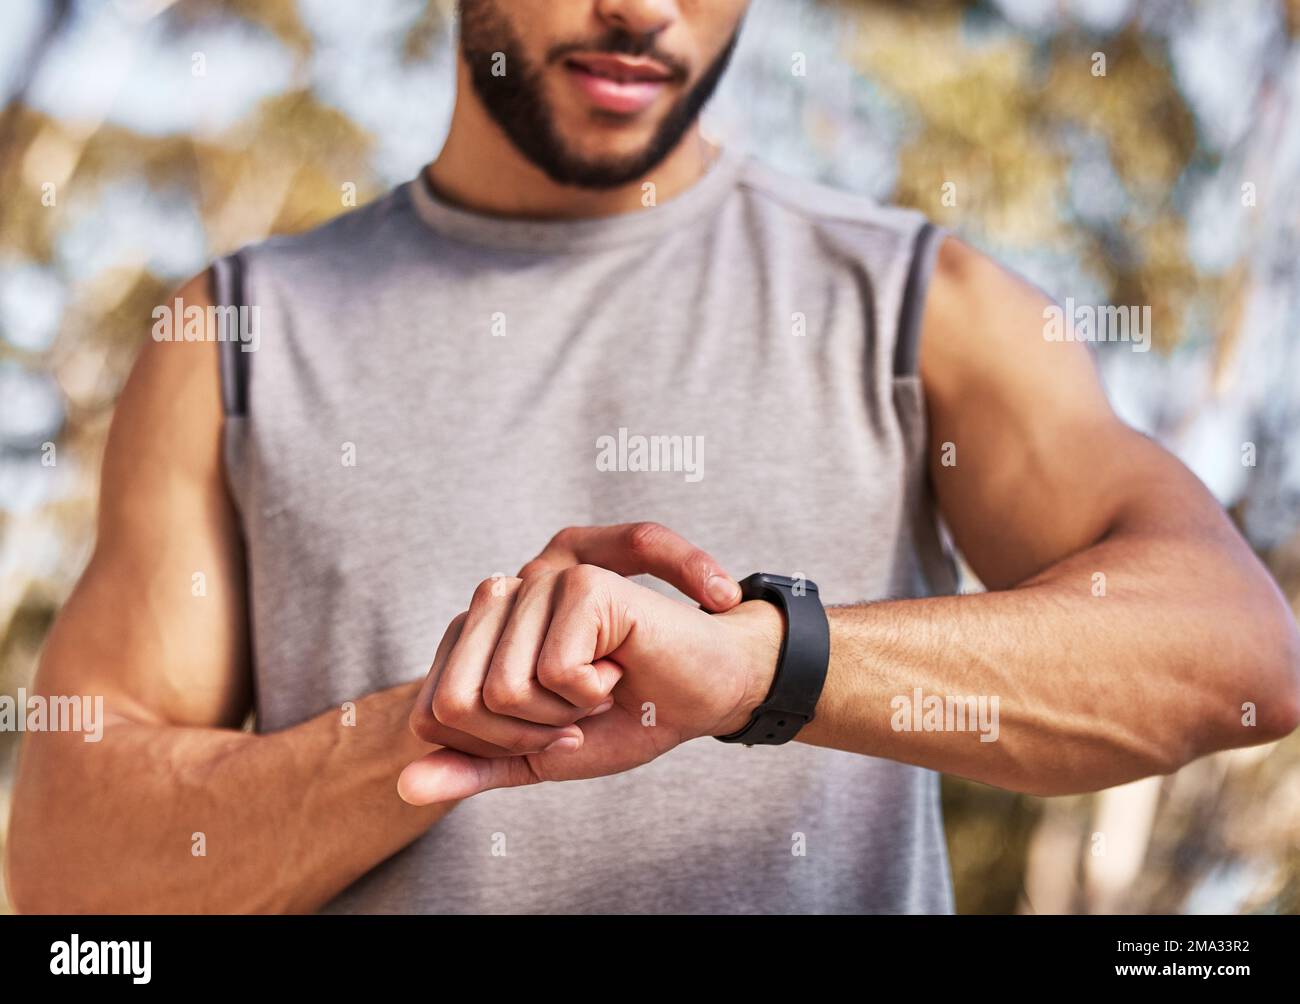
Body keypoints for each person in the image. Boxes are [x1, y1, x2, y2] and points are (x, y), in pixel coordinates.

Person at [7, 0, 1298, 915]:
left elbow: (1236, 647)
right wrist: (428, 729)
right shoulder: (230, 339)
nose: (643, 11)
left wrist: (758, 665)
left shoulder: (922, 305)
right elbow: (68, 871)